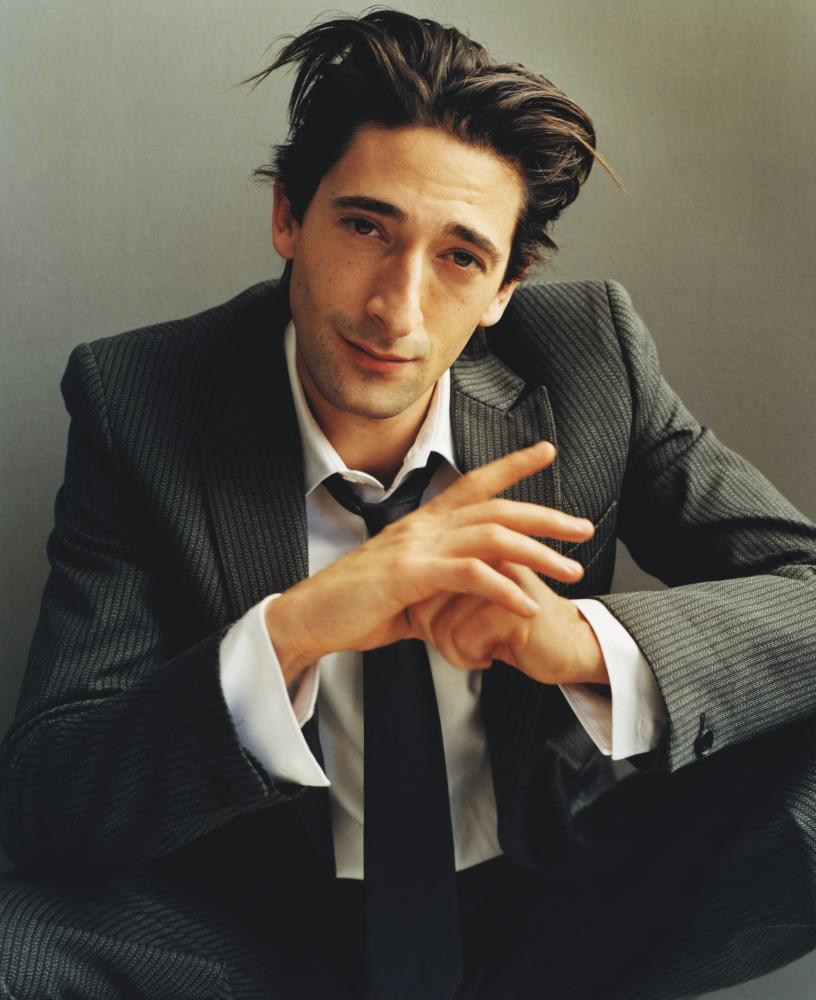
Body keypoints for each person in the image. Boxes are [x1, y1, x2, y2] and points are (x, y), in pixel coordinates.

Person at [0, 9, 814, 1000]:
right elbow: (50, 798)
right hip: (252, 926)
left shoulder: (592, 357)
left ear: (506, 285)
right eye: (365, 227)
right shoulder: (140, 401)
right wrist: (295, 629)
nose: (397, 308)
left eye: (460, 256)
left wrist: (585, 644)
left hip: (559, 906)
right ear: (288, 217)